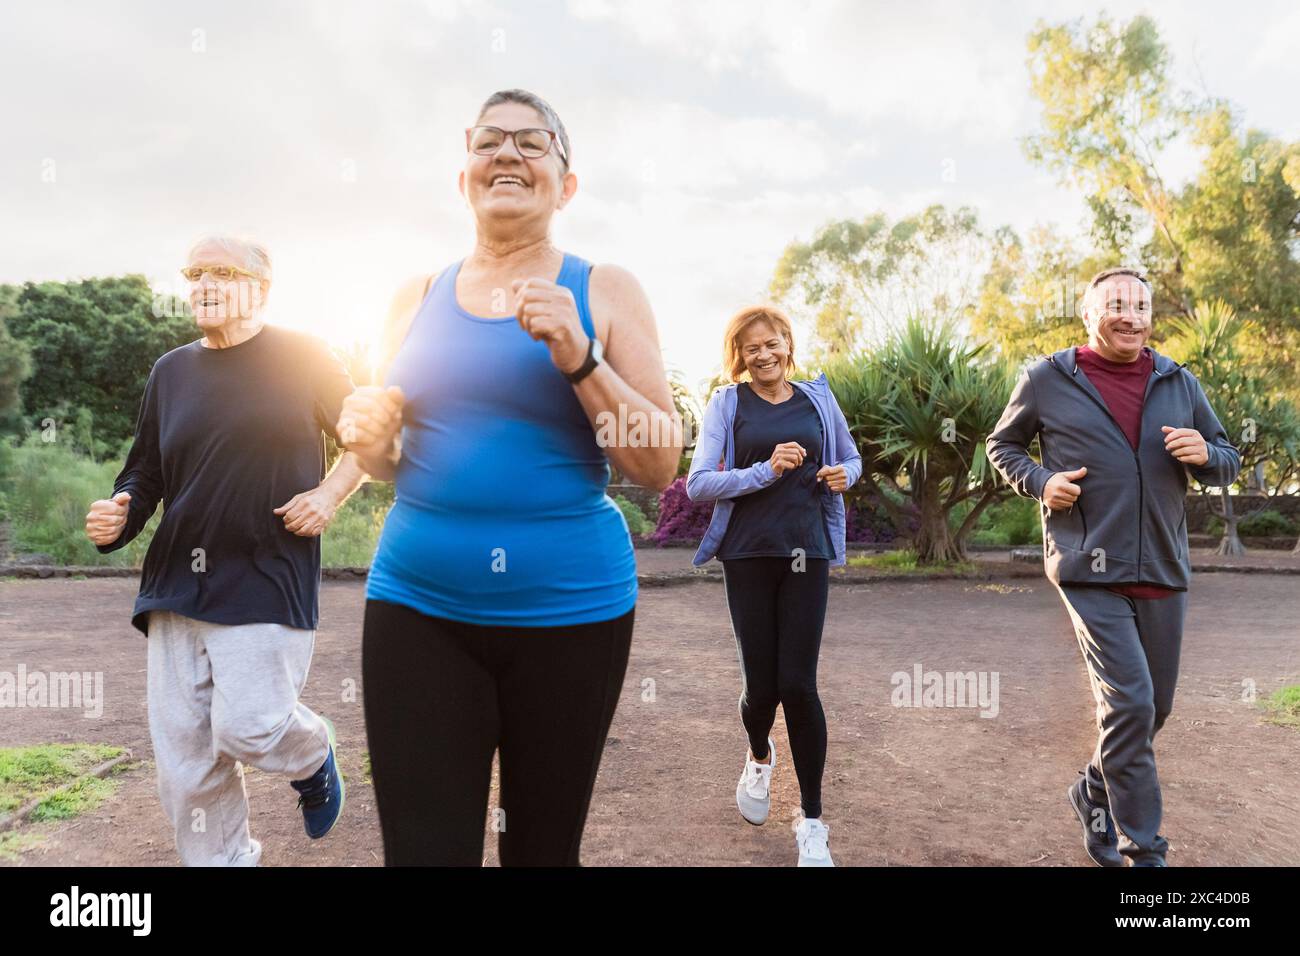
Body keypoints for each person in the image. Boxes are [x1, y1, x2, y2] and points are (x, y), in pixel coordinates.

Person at [339, 89, 679, 866]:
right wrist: (370, 439)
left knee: (540, 852)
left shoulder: (606, 289)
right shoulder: (414, 296)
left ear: (567, 184)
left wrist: (579, 357)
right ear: (465, 174)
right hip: (418, 607)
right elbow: (387, 462)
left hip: (571, 618)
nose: (508, 154)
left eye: (534, 143)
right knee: (424, 853)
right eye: (489, 140)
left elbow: (658, 464)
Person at [85, 235, 366, 866]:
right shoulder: (171, 371)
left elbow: (368, 439)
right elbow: (146, 473)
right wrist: (117, 513)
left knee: (249, 726)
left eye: (222, 272)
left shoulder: (303, 355)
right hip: (174, 585)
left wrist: (329, 494)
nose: (204, 284)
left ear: (261, 289)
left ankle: (313, 751)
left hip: (267, 569)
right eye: (195, 273)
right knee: (186, 763)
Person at [986, 267, 1240, 867]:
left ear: (1152, 316)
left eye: (1141, 306)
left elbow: (1226, 456)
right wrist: (1042, 482)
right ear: (1088, 314)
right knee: (1129, 705)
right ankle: (1145, 855)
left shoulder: (1177, 381)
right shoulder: (1048, 377)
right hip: (1088, 567)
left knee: (1154, 710)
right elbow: (1004, 446)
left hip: (1163, 564)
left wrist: (1207, 454)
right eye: (1116, 304)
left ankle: (1092, 791)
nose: (1130, 315)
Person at [686, 304, 862, 867]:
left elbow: (852, 458)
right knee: (761, 689)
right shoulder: (726, 403)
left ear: (789, 343)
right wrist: (766, 469)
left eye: (773, 343)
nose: (764, 354)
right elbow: (699, 484)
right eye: (751, 347)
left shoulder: (818, 398)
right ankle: (759, 756)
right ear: (739, 354)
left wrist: (843, 474)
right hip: (747, 553)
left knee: (799, 684)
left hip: (806, 548)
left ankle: (812, 820)